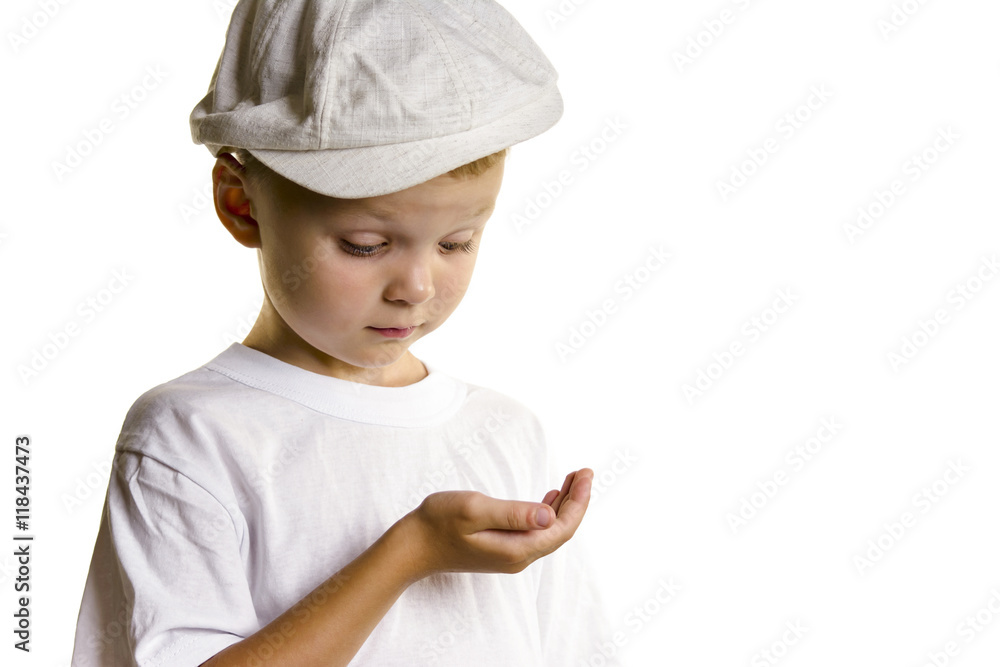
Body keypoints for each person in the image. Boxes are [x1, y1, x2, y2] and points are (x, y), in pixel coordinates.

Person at [71, 1, 616, 665]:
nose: (416, 285)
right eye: (365, 244)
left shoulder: (505, 433)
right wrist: (411, 550)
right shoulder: (191, 436)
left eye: (456, 241)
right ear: (240, 203)